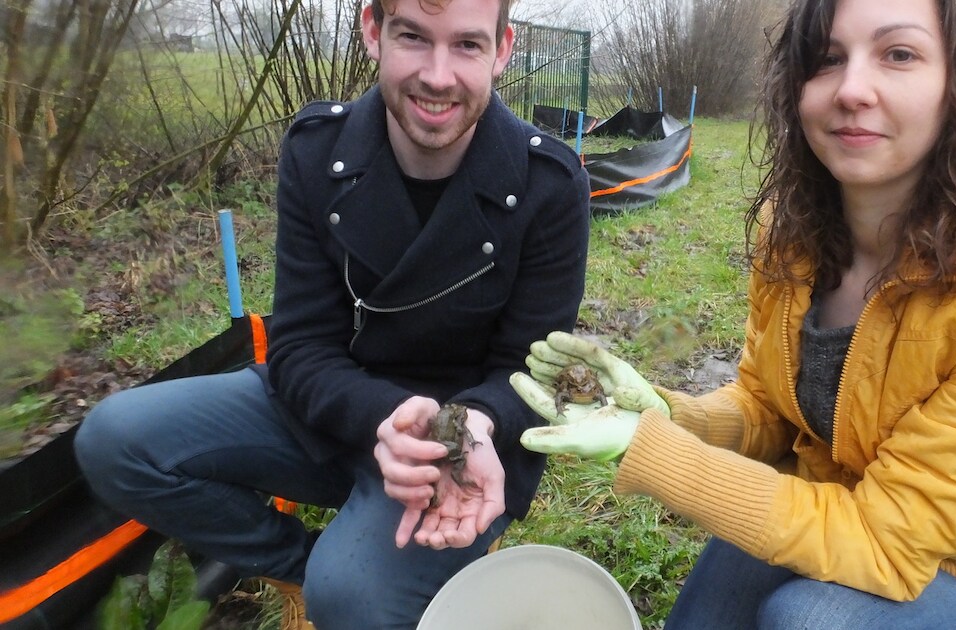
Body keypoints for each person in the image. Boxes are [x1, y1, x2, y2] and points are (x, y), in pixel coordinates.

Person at [510, 0, 956, 628]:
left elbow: (886, 543)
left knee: (810, 618)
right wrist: (666, 414)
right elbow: (766, 408)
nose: (851, 90)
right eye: (826, 60)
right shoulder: (790, 234)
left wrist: (652, 450)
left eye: (899, 55)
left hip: (950, 571)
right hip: (822, 505)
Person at [74, 0, 591, 627]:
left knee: (352, 596)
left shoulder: (550, 183)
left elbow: (530, 373)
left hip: (457, 446)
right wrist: (383, 417)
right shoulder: (318, 150)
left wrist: (466, 429)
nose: (437, 74)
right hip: (334, 409)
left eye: (467, 46)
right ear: (373, 32)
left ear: (502, 50)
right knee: (115, 440)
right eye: (412, 37)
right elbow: (299, 347)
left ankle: (353, 573)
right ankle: (303, 562)